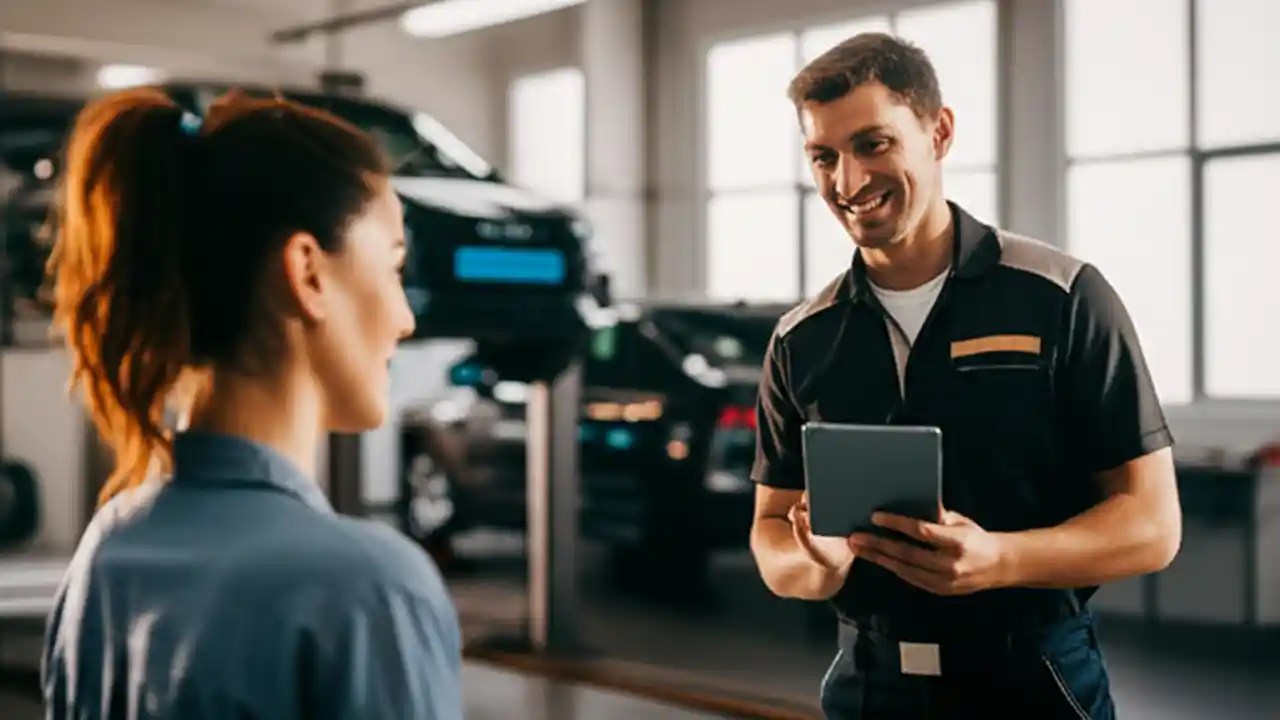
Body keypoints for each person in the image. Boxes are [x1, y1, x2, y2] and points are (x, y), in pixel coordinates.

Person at [749, 33, 1182, 719]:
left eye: (873, 144)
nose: (848, 183)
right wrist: (816, 565)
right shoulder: (802, 339)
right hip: (870, 687)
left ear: (939, 131)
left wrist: (998, 559)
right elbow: (772, 532)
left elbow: (1153, 524)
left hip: (1035, 680)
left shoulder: (1063, 297)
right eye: (823, 157)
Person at [40, 88, 463, 719]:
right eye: (394, 268)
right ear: (308, 272)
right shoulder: (368, 591)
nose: (403, 319)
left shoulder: (106, 557)